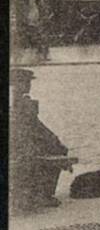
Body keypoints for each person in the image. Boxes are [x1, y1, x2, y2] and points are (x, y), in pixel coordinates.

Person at [10, 67, 74, 210]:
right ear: (17, 84)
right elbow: (35, 127)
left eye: (28, 82)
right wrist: (55, 142)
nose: (28, 85)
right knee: (58, 152)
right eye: (25, 82)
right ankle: (45, 195)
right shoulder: (24, 103)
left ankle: (34, 193)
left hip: (20, 146)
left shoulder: (17, 102)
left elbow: (35, 127)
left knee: (53, 149)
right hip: (24, 149)